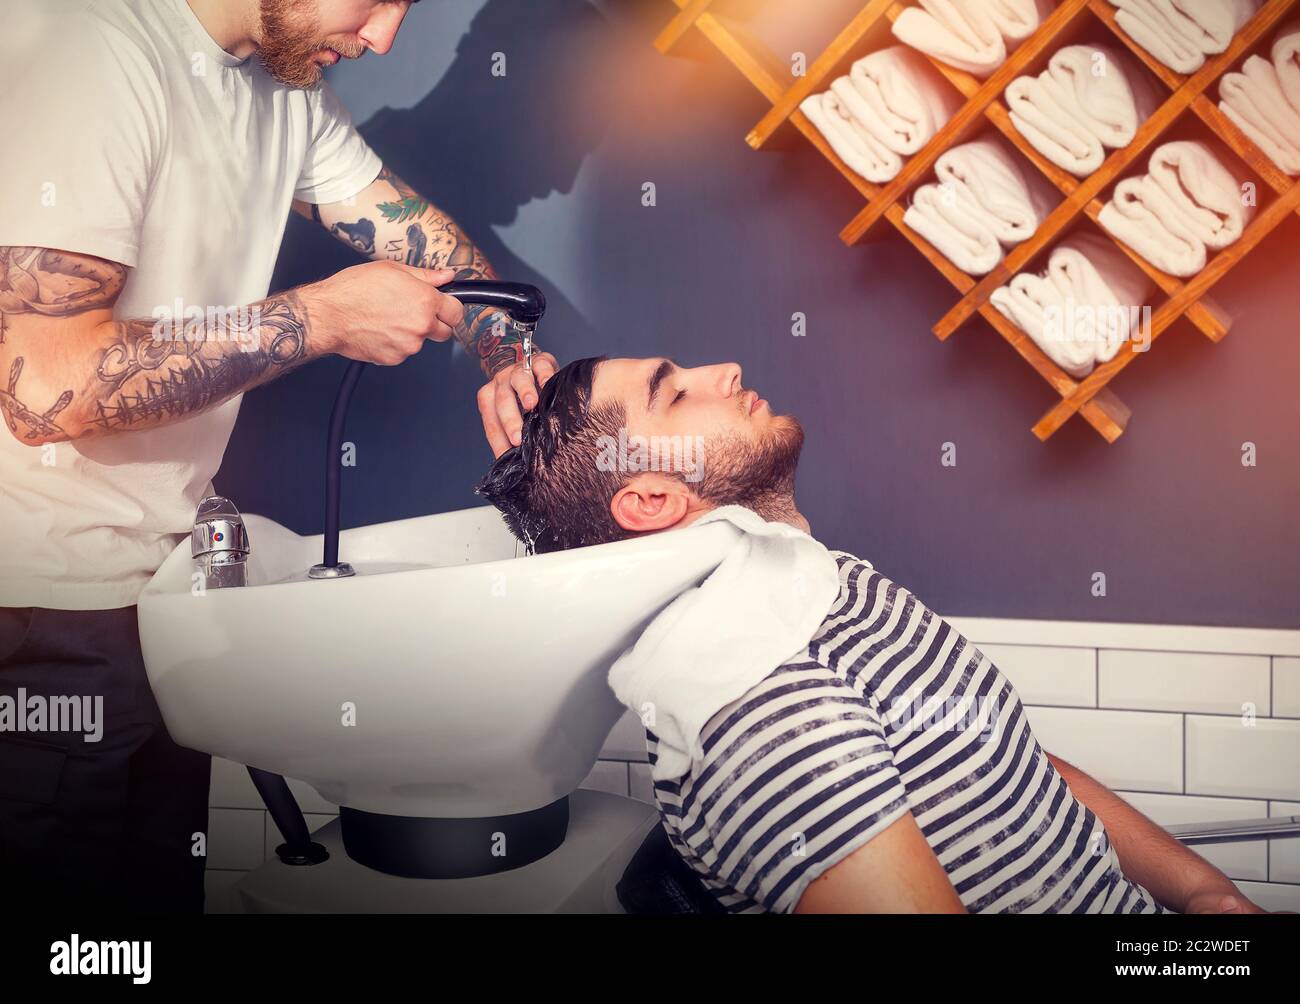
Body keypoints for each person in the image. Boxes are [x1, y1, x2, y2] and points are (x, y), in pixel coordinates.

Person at [0, 0, 556, 913]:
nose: (382, 37)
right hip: (38, 617)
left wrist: (508, 354)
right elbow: (43, 389)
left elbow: (432, 253)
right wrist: (324, 317)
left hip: (153, 596)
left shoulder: (280, 83)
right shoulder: (87, 45)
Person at [475, 356, 1266, 914]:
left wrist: (1204, 893)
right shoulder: (756, 708)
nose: (725, 371)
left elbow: (997, 763)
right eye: (674, 394)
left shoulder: (812, 583)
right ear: (650, 500)